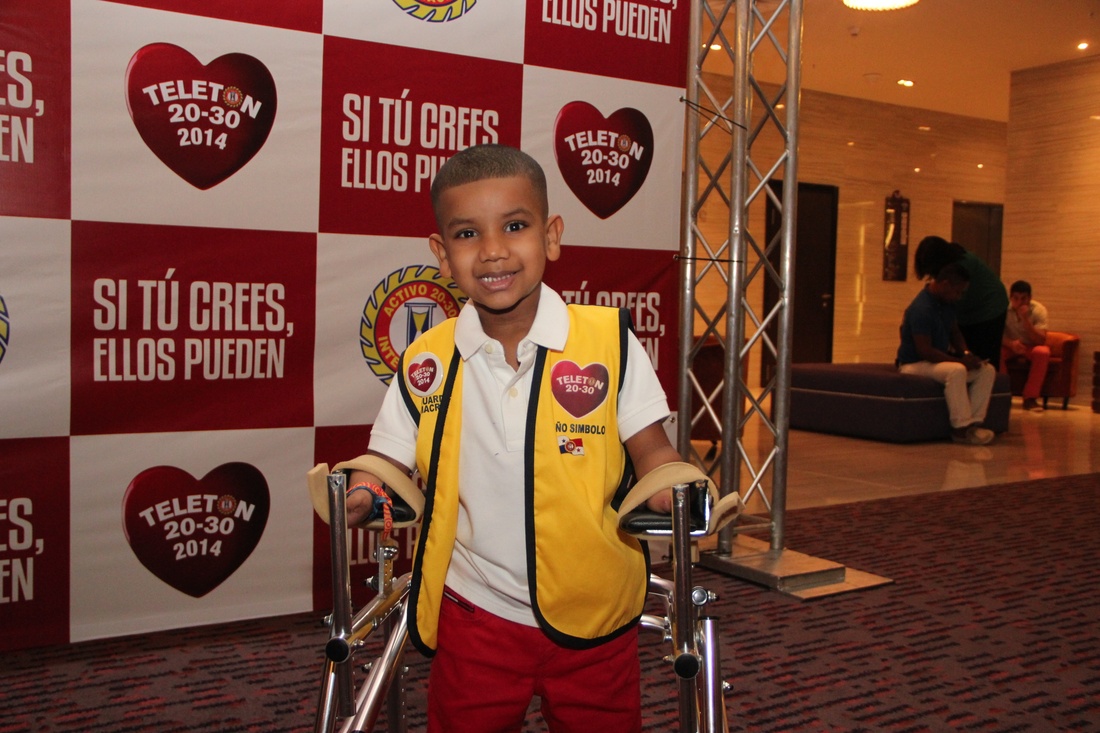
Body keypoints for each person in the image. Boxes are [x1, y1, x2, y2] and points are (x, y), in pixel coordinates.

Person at [342, 144, 688, 733]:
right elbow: (386, 457)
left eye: (516, 226)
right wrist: (363, 487)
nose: (494, 250)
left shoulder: (607, 339)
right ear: (442, 255)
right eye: (467, 234)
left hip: (594, 611)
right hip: (474, 614)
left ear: (551, 236)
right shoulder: (426, 359)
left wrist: (670, 490)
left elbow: (652, 450)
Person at [897, 261, 998, 445]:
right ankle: (960, 429)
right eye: (958, 292)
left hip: (935, 362)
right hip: (914, 364)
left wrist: (966, 353)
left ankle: (973, 424)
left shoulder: (946, 303)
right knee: (956, 371)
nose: (959, 297)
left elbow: (955, 332)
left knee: (987, 370)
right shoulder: (922, 308)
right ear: (945, 285)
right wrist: (958, 362)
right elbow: (924, 351)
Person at [913, 236, 1008, 369]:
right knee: (965, 355)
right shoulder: (924, 305)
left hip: (990, 308)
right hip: (968, 311)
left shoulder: (962, 265)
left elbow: (950, 301)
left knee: (985, 357)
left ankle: (988, 386)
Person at [1000, 280, 1050, 412]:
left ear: (1030, 298)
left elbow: (1040, 340)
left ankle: (1030, 398)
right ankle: (1003, 395)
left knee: (1042, 352)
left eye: (1023, 298)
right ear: (1011, 297)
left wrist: (1025, 319)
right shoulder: (1003, 309)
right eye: (1015, 298)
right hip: (1011, 344)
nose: (1019, 302)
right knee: (995, 352)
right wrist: (1010, 344)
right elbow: (995, 334)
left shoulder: (1039, 310)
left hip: (1031, 345)